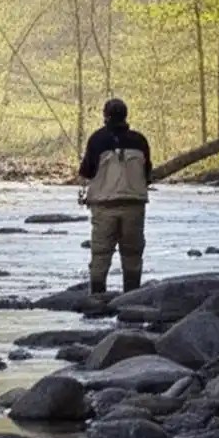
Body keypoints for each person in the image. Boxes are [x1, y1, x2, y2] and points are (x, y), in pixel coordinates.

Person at [78, 98, 152, 294]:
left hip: (104, 207)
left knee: (101, 254)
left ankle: (97, 298)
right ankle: (132, 297)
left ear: (105, 116)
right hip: (134, 206)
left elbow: (87, 172)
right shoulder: (140, 140)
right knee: (132, 255)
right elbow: (148, 173)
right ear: (125, 116)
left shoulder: (97, 140)